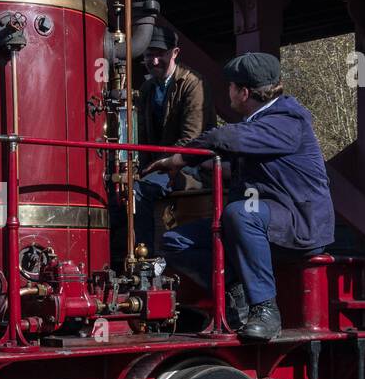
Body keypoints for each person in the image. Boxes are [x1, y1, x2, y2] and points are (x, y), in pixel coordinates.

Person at [142, 52, 334, 341]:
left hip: (297, 221)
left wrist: (183, 157)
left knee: (241, 213)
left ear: (243, 92)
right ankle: (237, 292)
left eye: (230, 87)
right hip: (266, 217)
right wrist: (208, 166)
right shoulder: (263, 126)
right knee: (174, 242)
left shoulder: (286, 120)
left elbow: (225, 138)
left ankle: (266, 311)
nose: (227, 93)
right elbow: (254, 171)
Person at [130, 23, 207, 252]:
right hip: (157, 167)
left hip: (189, 165)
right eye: (148, 55)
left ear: (175, 53)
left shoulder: (193, 84)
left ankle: (145, 260)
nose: (154, 61)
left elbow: (192, 139)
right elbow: (142, 138)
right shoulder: (146, 88)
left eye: (160, 54)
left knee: (138, 191)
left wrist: (154, 167)